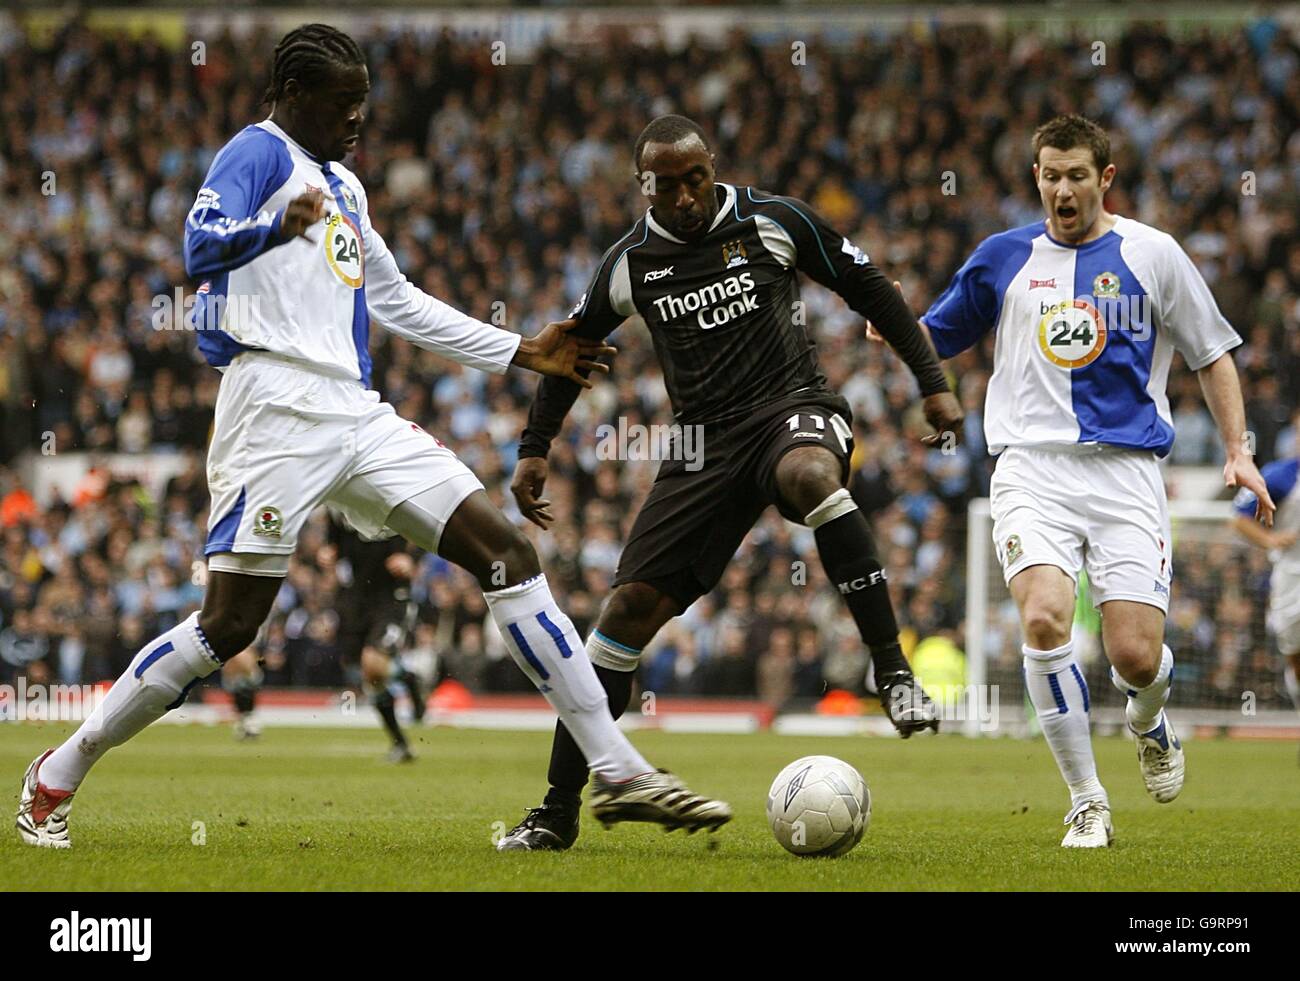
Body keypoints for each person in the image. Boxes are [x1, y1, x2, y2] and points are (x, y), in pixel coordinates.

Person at [16, 25, 730, 850]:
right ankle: (57, 772)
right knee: (229, 626)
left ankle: (617, 768)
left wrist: (519, 350)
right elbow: (197, 245)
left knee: (506, 553)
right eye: (342, 102)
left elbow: (396, 299)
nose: (358, 117)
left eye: (363, 102)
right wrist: (274, 227)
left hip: (355, 409)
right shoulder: (257, 153)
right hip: (273, 408)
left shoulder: (345, 185)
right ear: (291, 96)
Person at [496, 114, 962, 851]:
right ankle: (556, 810)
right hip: (701, 445)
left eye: (695, 179)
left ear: (711, 169)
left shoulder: (772, 220)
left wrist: (931, 383)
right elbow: (574, 349)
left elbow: (870, 286)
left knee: (809, 473)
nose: (685, 196)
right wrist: (534, 448)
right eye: (667, 185)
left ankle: (892, 669)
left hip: (794, 409)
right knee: (624, 612)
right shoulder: (630, 262)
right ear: (642, 185)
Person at [873, 114, 1275, 847]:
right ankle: (1087, 799)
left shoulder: (1154, 255)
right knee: (1043, 618)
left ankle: (1149, 719)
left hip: (1126, 472)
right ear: (1036, 178)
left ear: (1106, 179)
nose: (1063, 188)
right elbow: (938, 334)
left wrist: (1236, 449)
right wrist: (891, 320)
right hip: (1032, 467)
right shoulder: (1004, 258)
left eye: (1077, 175)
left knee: (1134, 656)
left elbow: (1212, 352)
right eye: (1051, 175)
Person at [1231, 454, 1299, 750]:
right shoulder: (1280, 475)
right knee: (1295, 655)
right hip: (1292, 577)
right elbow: (1240, 518)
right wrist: (1270, 540)